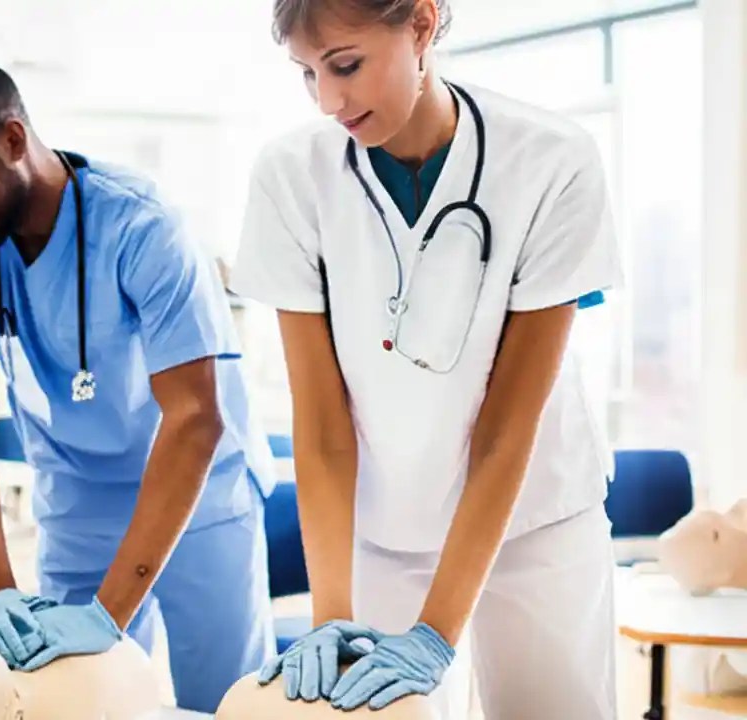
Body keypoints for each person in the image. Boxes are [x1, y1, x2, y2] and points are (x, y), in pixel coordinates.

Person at [232, 1, 622, 718]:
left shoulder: (551, 160)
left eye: (346, 65)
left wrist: (437, 634)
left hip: (534, 519)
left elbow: (508, 424)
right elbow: (321, 425)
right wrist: (331, 615)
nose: (329, 101)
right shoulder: (291, 177)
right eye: (307, 74)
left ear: (419, 24)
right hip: (386, 525)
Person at [0, 55, 278, 714]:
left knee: (226, 706)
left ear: (13, 140)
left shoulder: (141, 226)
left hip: (196, 496)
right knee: (68, 701)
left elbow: (195, 419)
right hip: (78, 498)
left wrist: (108, 615)